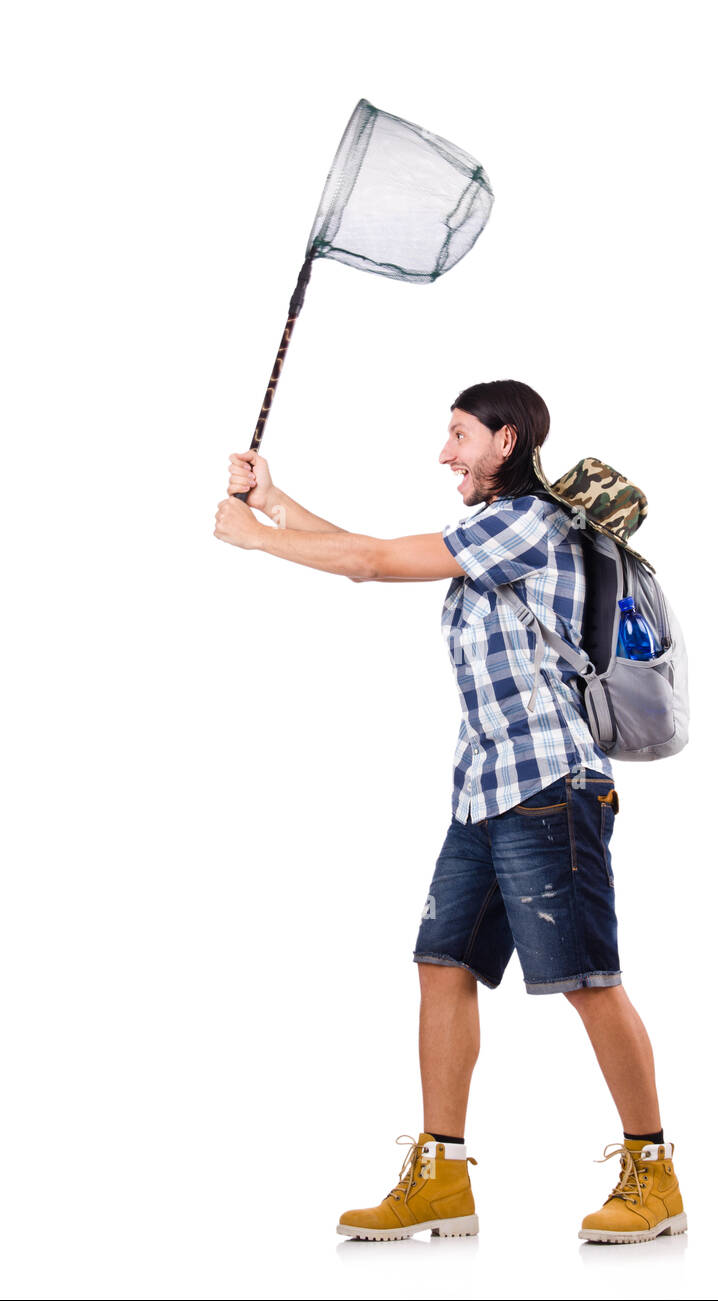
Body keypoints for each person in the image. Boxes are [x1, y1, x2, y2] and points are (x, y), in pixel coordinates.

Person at [213, 379, 686, 1245]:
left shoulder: (530, 522)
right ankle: (440, 1179)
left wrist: (258, 540)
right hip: (483, 790)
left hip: (550, 788)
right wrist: (275, 505)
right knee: (442, 966)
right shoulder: (489, 528)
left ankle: (653, 1176)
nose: (444, 453)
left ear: (506, 441)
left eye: (459, 435)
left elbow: (371, 561)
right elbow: (368, 551)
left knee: (587, 981)